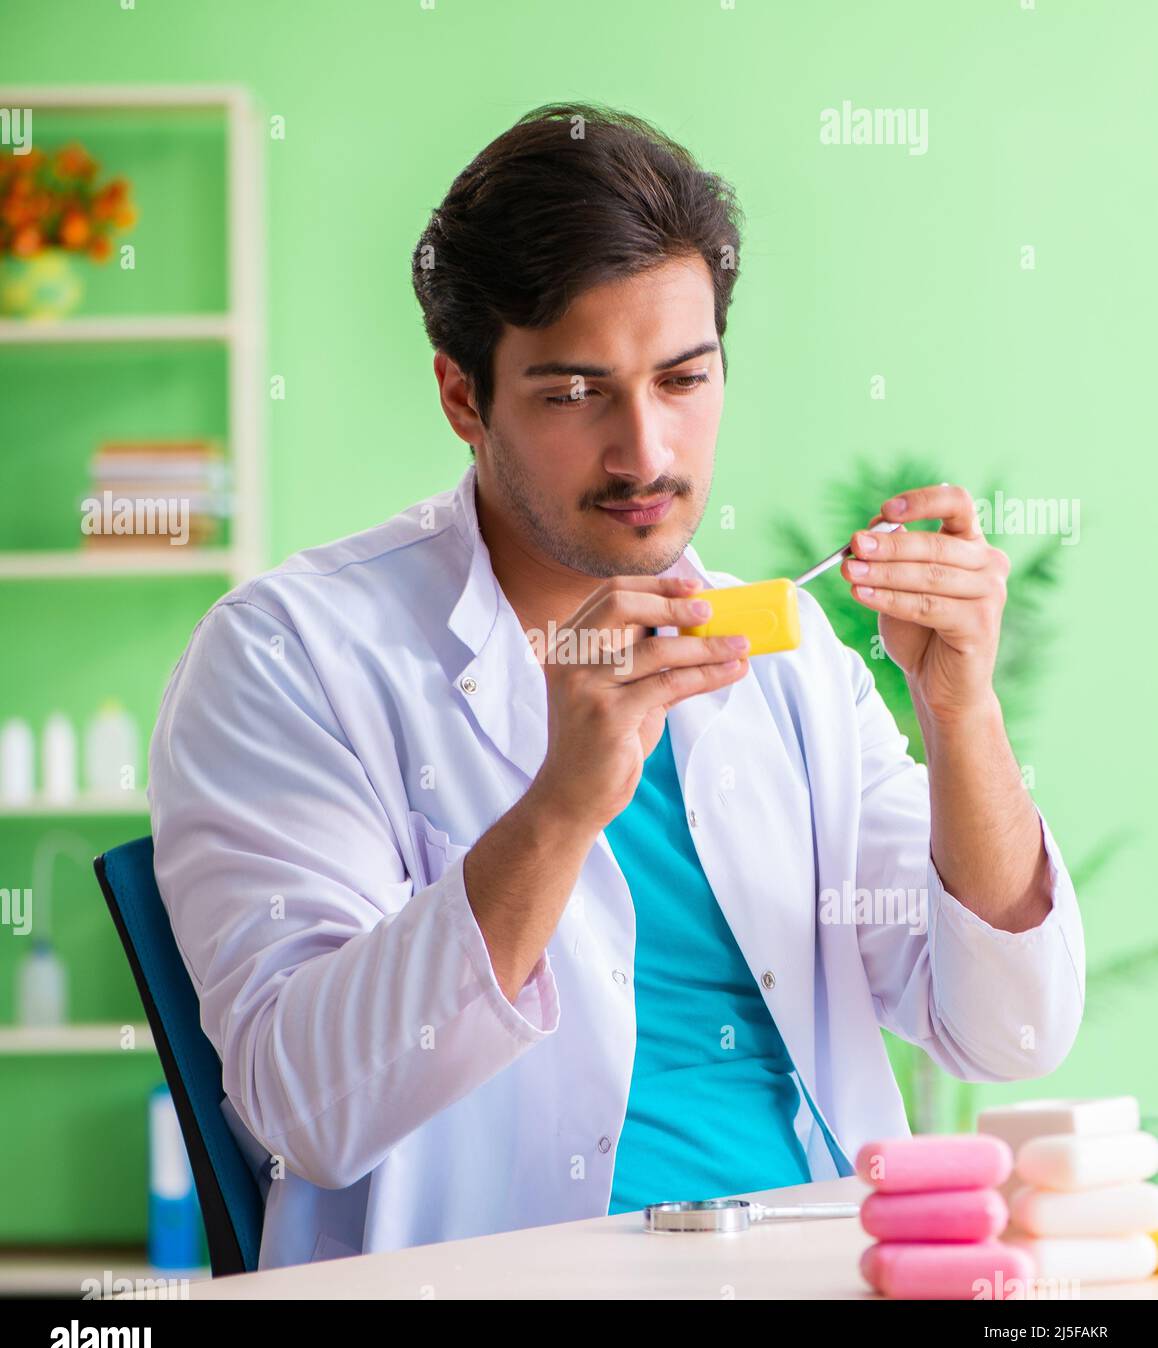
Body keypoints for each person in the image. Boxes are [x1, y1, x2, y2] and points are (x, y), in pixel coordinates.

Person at [148, 103, 1084, 1269]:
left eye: (684, 379)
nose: (647, 452)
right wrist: (560, 805)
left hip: (820, 1267)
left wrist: (962, 716)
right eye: (576, 392)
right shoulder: (290, 657)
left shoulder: (782, 645)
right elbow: (305, 1111)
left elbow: (1008, 1026)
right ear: (462, 397)